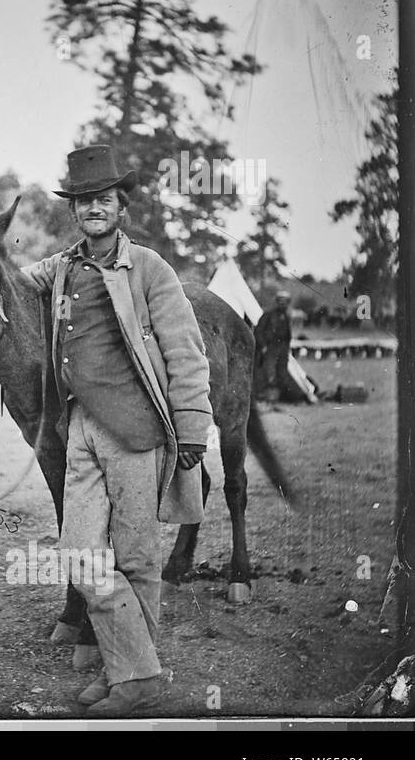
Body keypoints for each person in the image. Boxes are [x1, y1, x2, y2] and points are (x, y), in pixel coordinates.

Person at [22, 145, 213, 716]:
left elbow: (186, 351)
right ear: (74, 211)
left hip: (136, 429)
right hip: (79, 428)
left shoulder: (150, 268)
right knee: (80, 554)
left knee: (134, 559)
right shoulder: (60, 270)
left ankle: (127, 676)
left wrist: (193, 427)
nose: (93, 209)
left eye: (103, 199)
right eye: (83, 201)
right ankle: (140, 674)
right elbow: (5, 282)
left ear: (120, 206)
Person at [254, 290, 293, 401]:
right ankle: (265, 396)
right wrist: (263, 346)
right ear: (277, 301)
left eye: (285, 302)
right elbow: (259, 331)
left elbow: (287, 334)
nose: (283, 304)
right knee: (269, 371)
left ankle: (277, 397)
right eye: (281, 301)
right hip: (271, 347)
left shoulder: (286, 316)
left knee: (282, 372)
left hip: (283, 348)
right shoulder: (268, 314)